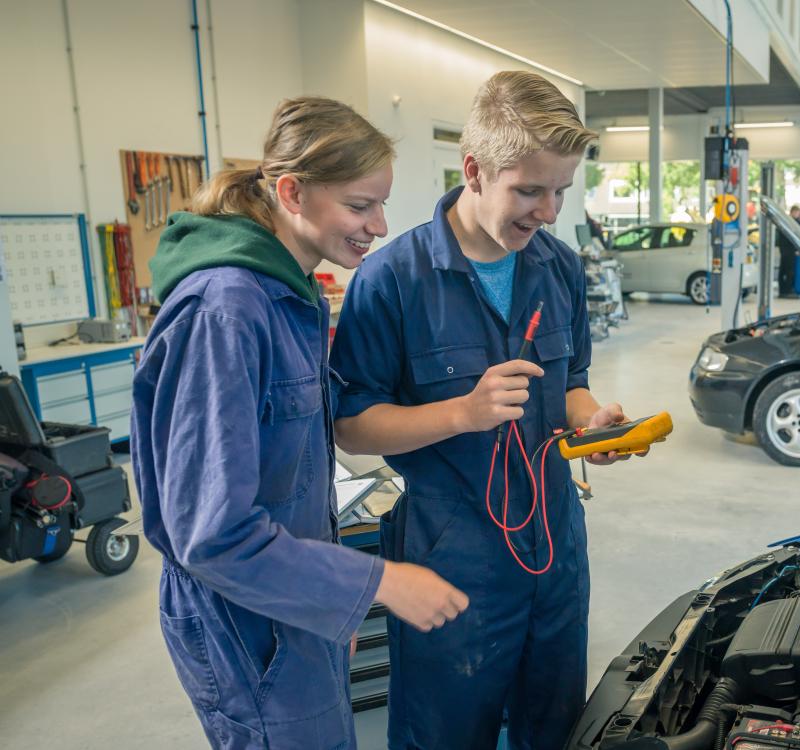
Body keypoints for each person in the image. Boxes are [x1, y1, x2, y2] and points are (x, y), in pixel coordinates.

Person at [130, 97, 468, 749]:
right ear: (292, 192)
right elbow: (214, 535)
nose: (379, 224)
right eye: (360, 204)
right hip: (243, 623)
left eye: (381, 204)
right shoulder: (225, 313)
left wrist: (323, 613)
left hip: (289, 603)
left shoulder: (291, 296)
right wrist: (378, 582)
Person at [331, 71, 639, 749]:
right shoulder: (392, 282)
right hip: (453, 555)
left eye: (559, 191)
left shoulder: (558, 268)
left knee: (554, 726)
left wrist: (590, 425)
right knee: (445, 733)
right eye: (529, 190)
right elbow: (350, 426)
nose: (549, 211)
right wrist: (460, 414)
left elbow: (571, 384)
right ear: (473, 170)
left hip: (555, 545)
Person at [776, 204, 800, 298]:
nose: (798, 215)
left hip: (784, 249)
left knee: (783, 270)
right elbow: (796, 236)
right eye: (797, 213)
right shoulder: (792, 222)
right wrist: (796, 249)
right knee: (789, 271)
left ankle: (782, 291)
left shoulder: (785, 220)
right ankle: (787, 291)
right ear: (793, 212)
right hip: (789, 249)